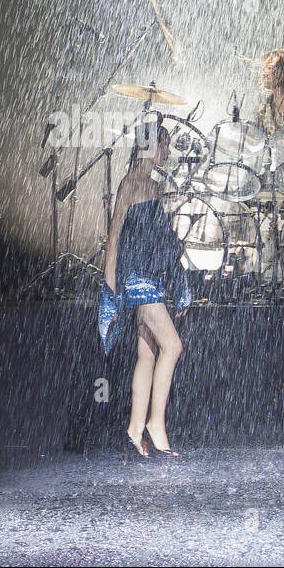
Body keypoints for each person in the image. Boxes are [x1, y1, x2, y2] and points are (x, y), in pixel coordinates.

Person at [97, 121, 190, 458]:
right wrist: (110, 291)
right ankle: (155, 423)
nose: (167, 152)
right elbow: (114, 238)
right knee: (174, 346)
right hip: (139, 283)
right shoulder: (133, 185)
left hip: (147, 279)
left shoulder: (146, 184)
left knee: (148, 353)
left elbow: (157, 242)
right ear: (149, 147)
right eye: (164, 146)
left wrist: (176, 282)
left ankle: (135, 428)